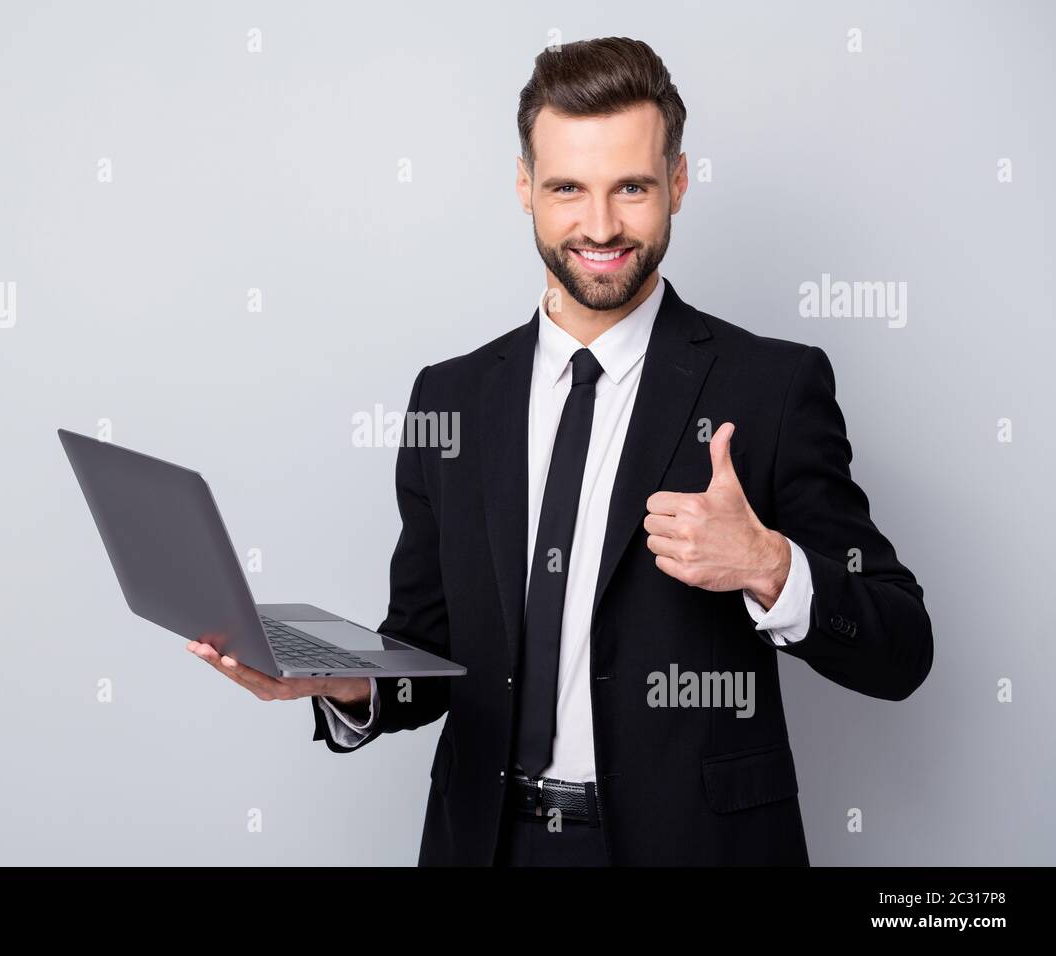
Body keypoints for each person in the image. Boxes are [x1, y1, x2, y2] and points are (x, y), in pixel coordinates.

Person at [186, 35, 932, 866]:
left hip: (696, 846)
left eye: (633, 188)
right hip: (488, 842)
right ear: (524, 188)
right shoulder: (452, 397)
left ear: (678, 185)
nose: (601, 226)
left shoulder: (772, 388)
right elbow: (426, 650)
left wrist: (769, 564)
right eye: (568, 188)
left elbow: (902, 648)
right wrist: (342, 682)